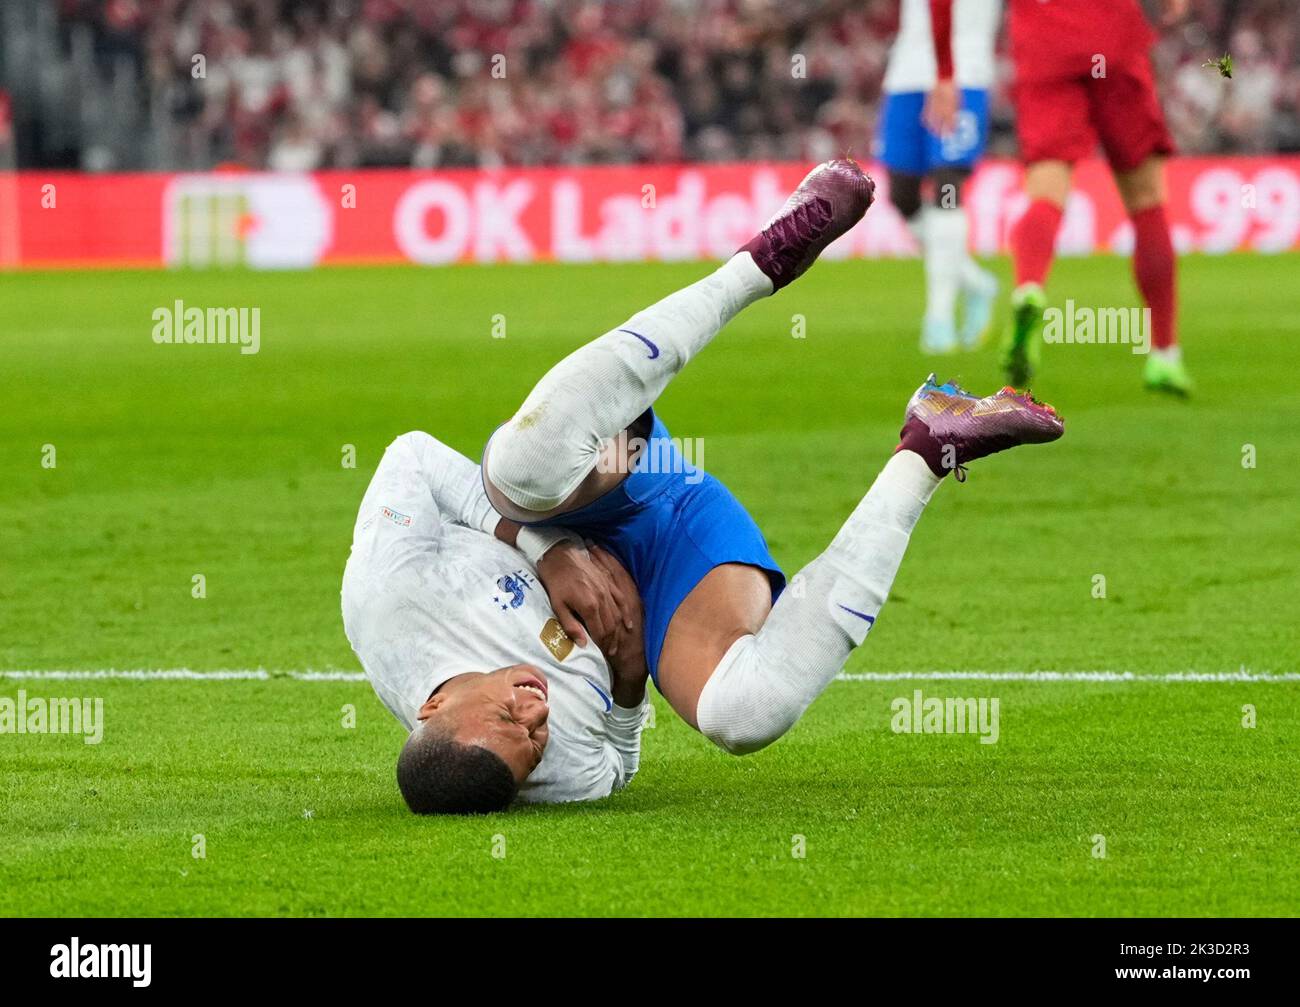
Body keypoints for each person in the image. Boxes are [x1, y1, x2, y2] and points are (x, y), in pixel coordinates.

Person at [482, 159, 1064, 761]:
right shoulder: (559, 779)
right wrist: (628, 693)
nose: (531, 732)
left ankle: (756, 267)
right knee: (745, 714)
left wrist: (545, 550)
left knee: (529, 469)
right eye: (527, 755)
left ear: (432, 710)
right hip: (670, 550)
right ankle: (928, 447)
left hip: (607, 485)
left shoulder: (390, 616)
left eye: (508, 737)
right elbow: (618, 763)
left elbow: (421, 464)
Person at [976, 0, 1195, 394]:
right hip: (1111, 32)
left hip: (1044, 39)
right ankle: (1165, 353)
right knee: (1146, 198)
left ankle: (1029, 286)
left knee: (1046, 189)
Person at [878, 0, 1001, 354]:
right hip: (906, 72)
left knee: (948, 186)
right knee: (901, 194)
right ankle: (975, 282)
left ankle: (939, 318)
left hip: (964, 70)